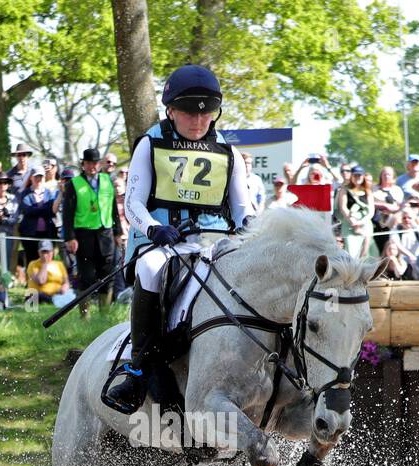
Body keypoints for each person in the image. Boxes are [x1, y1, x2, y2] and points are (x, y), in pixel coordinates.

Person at [104, 64, 252, 414]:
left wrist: (251, 226)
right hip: (162, 242)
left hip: (213, 242)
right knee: (151, 268)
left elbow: (243, 207)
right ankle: (140, 368)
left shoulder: (228, 153)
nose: (198, 121)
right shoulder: (150, 144)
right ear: (170, 110)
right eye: (189, 112)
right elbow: (133, 203)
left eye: (206, 113)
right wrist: (153, 228)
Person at [61, 147, 120, 316]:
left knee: (107, 274)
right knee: (86, 276)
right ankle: (84, 316)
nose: (92, 166)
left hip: (105, 234)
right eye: (88, 163)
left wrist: (118, 232)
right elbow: (67, 213)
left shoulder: (107, 180)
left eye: (95, 163)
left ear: (99, 164)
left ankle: (104, 314)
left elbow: (114, 208)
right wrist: (70, 237)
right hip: (84, 235)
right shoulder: (73, 184)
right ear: (83, 165)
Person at [18, 167, 58, 268]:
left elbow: (51, 211)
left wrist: (36, 209)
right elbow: (28, 211)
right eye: (36, 177)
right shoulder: (25, 193)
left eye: (41, 177)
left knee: (48, 261)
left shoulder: (49, 193)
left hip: (47, 233)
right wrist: (44, 209)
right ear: (31, 178)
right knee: (32, 261)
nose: (39, 179)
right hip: (30, 234)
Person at [335, 164, 374, 257]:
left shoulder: (368, 191)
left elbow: (371, 211)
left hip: (365, 225)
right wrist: (352, 221)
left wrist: (360, 222)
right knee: (351, 253)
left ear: (363, 176)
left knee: (366, 254)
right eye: (355, 175)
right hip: (349, 224)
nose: (357, 177)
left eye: (359, 175)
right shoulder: (344, 190)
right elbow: (343, 207)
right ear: (351, 176)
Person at [25, 240, 71, 304]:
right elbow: (40, 281)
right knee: (41, 296)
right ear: (39, 253)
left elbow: (66, 282)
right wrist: (44, 264)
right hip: (38, 295)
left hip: (57, 294)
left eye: (48, 251)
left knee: (72, 294)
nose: (45, 254)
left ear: (52, 252)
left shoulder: (59, 264)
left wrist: (64, 287)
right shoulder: (33, 264)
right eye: (43, 252)